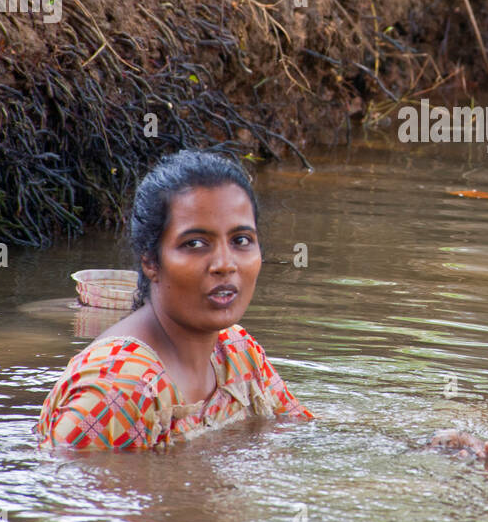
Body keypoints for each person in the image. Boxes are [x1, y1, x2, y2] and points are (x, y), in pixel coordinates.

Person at [36, 150, 312, 450]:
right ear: (151, 262)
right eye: (194, 243)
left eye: (241, 240)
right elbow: (73, 490)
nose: (225, 264)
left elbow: (304, 434)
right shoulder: (118, 388)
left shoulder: (237, 353)